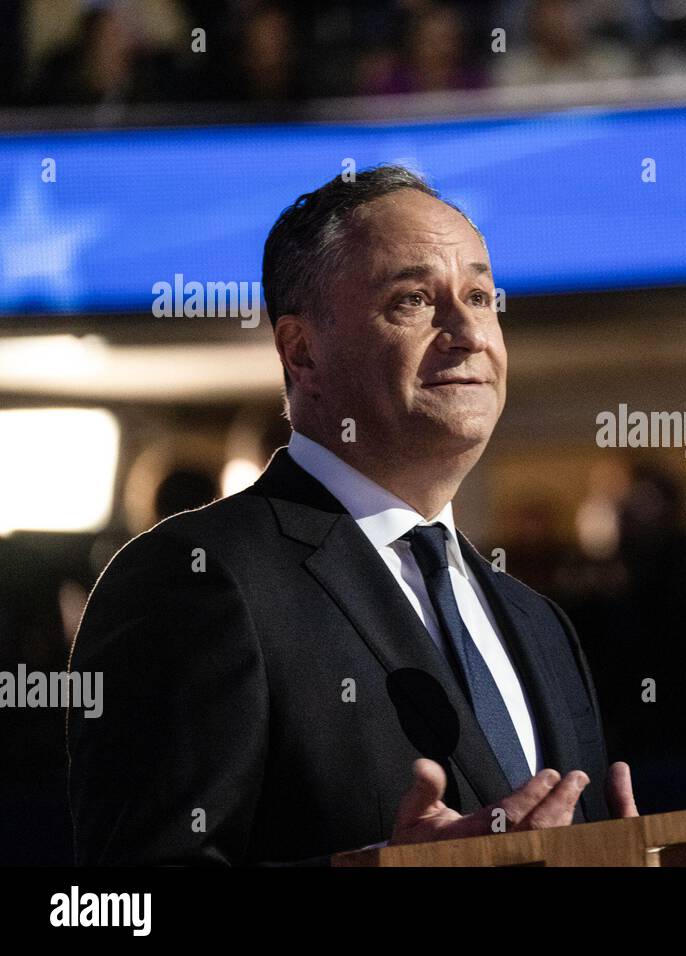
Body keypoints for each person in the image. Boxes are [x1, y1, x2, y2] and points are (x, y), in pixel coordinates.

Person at [67, 165, 637, 865]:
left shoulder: (539, 624)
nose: (468, 332)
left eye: (483, 296)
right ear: (300, 350)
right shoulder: (197, 579)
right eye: (414, 300)